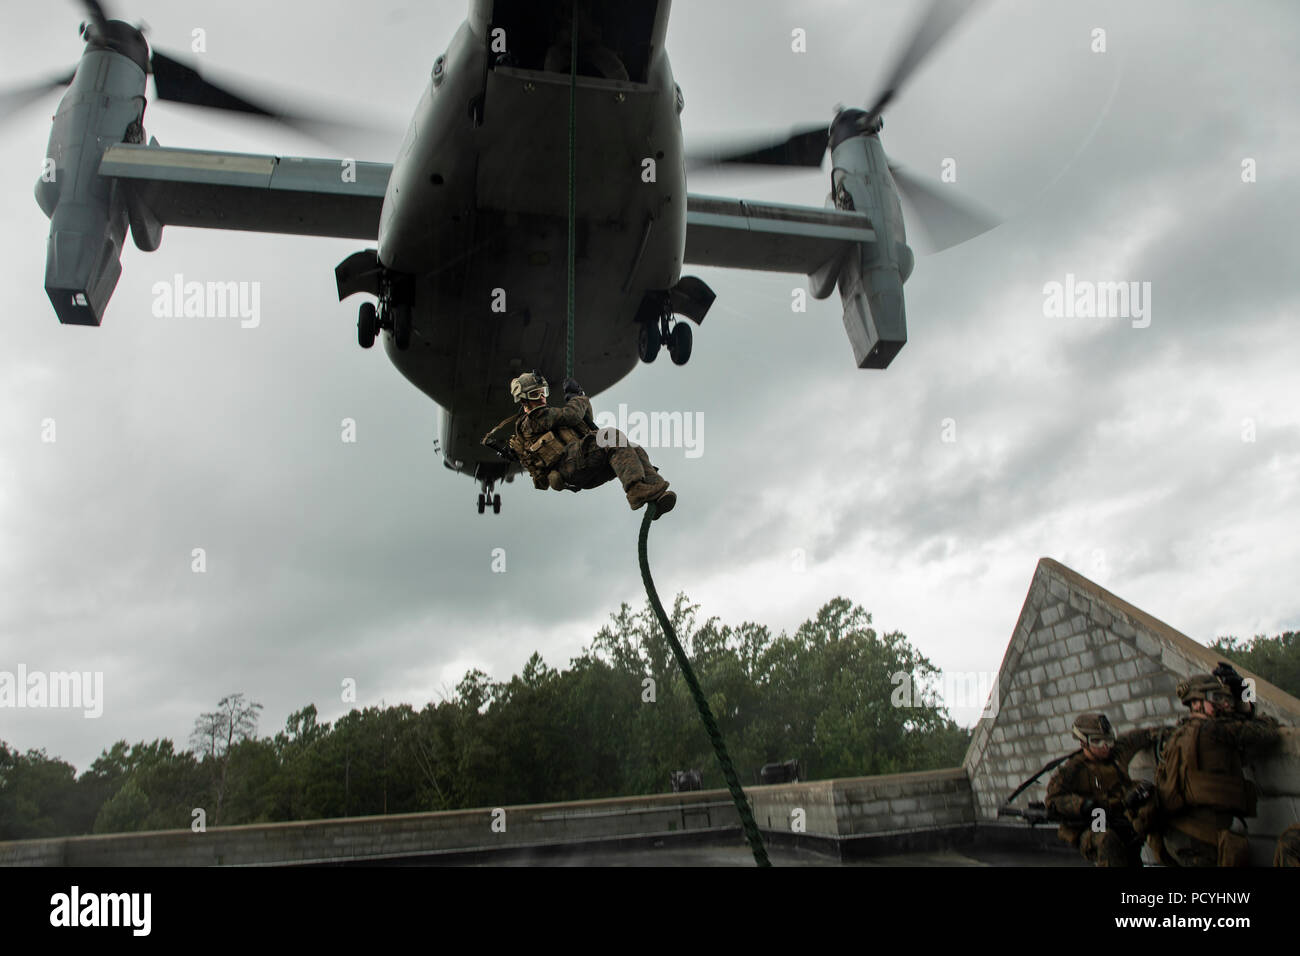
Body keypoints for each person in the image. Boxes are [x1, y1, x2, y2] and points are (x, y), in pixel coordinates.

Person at [482, 371, 676, 516]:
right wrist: (578, 398)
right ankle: (636, 491)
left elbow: (584, 424)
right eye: (535, 394)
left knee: (632, 448)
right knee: (611, 436)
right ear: (524, 400)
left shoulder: (549, 417)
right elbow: (573, 414)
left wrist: (580, 398)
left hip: (583, 468)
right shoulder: (535, 419)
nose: (541, 398)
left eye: (543, 392)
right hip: (570, 467)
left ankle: (655, 492)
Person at [1152, 673, 1282, 866]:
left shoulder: (1178, 732)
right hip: (1201, 839)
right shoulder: (1216, 730)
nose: (1225, 704)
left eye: (1226, 699)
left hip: (1175, 834)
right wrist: (1246, 704)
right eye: (1216, 699)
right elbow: (1267, 729)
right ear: (1195, 703)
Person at [1045, 713, 1161, 867]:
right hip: (1092, 827)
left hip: (1120, 818)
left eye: (1108, 739)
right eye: (1097, 741)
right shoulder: (1071, 771)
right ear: (1083, 743)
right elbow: (1053, 801)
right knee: (1107, 840)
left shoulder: (1117, 754)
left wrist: (1164, 733)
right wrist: (1082, 805)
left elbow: (1140, 737)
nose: (1105, 746)